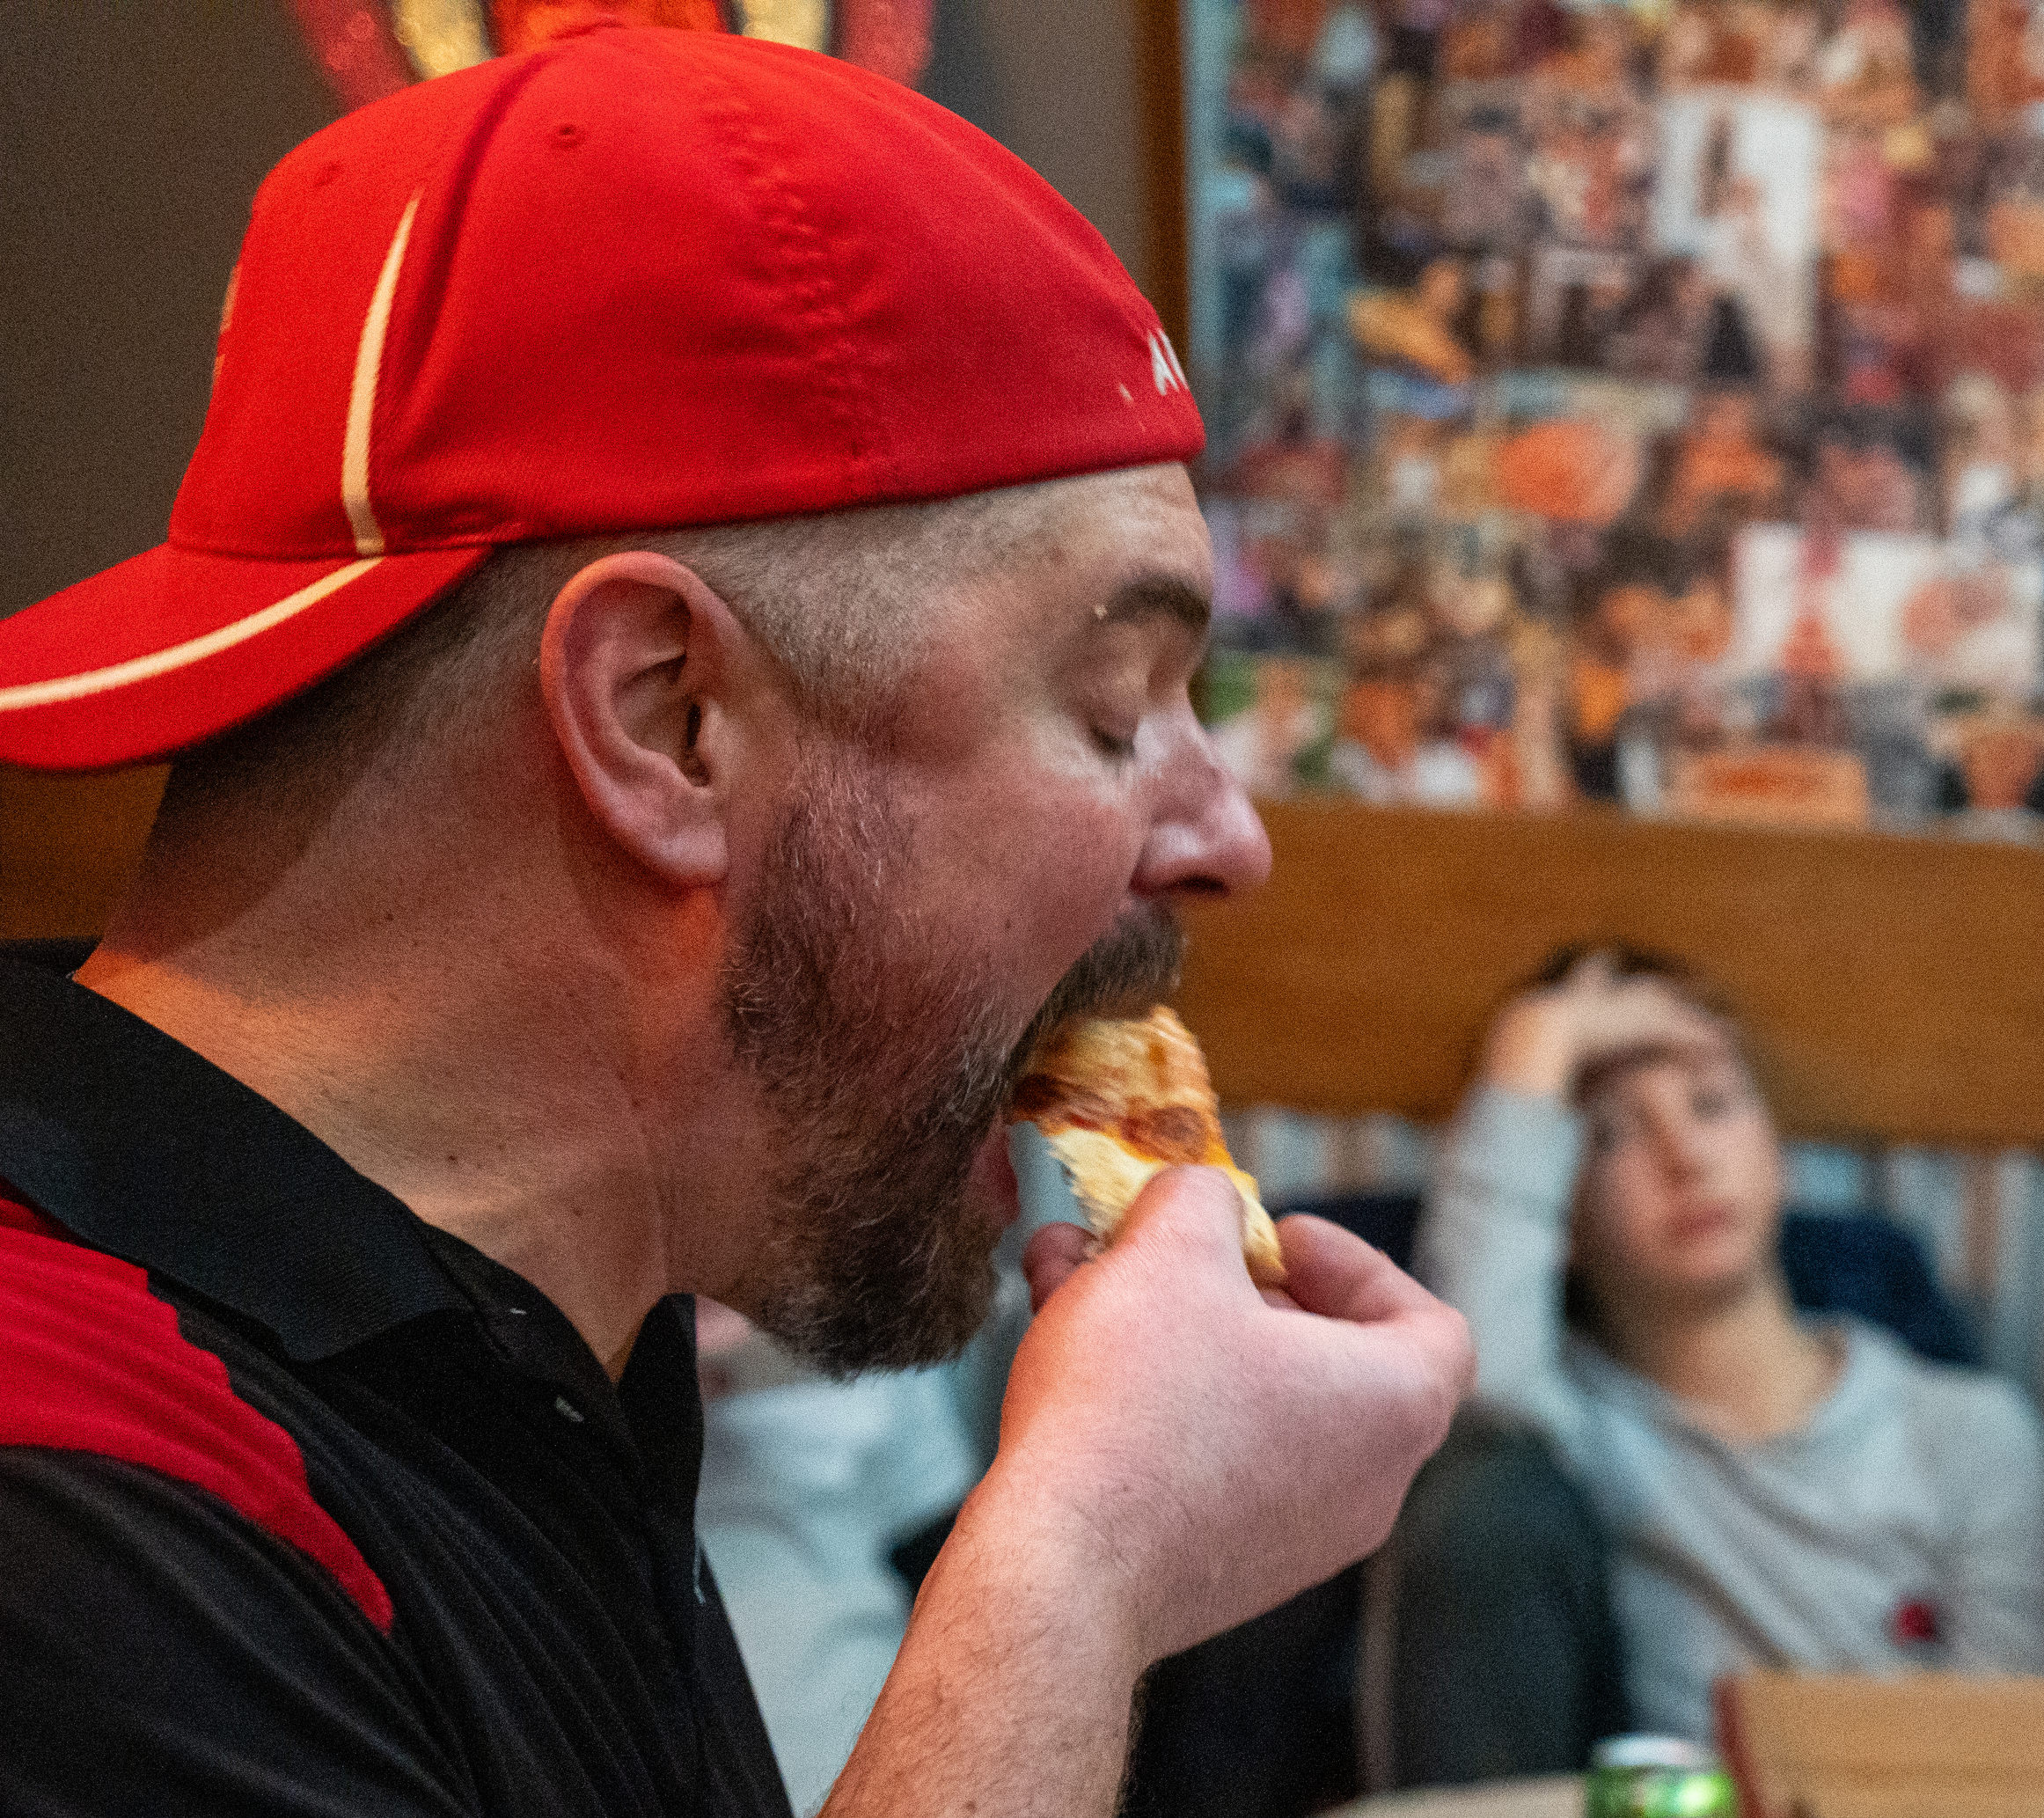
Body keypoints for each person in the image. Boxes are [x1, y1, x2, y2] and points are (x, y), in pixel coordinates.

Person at [0, 26, 1468, 1818]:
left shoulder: (550, 1346)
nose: (1226, 837)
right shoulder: (77, 1502)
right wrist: (1073, 1573)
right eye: (1109, 706)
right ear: (665, 715)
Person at [1410, 947, 2044, 1749]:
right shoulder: (1575, 1432)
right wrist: (1539, 1038)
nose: (1685, 1158)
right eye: (1611, 1135)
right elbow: (1469, 1390)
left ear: (1779, 1155)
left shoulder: (1969, 1433)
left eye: (1712, 1104)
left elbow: (2017, 1756)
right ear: (1559, 1208)